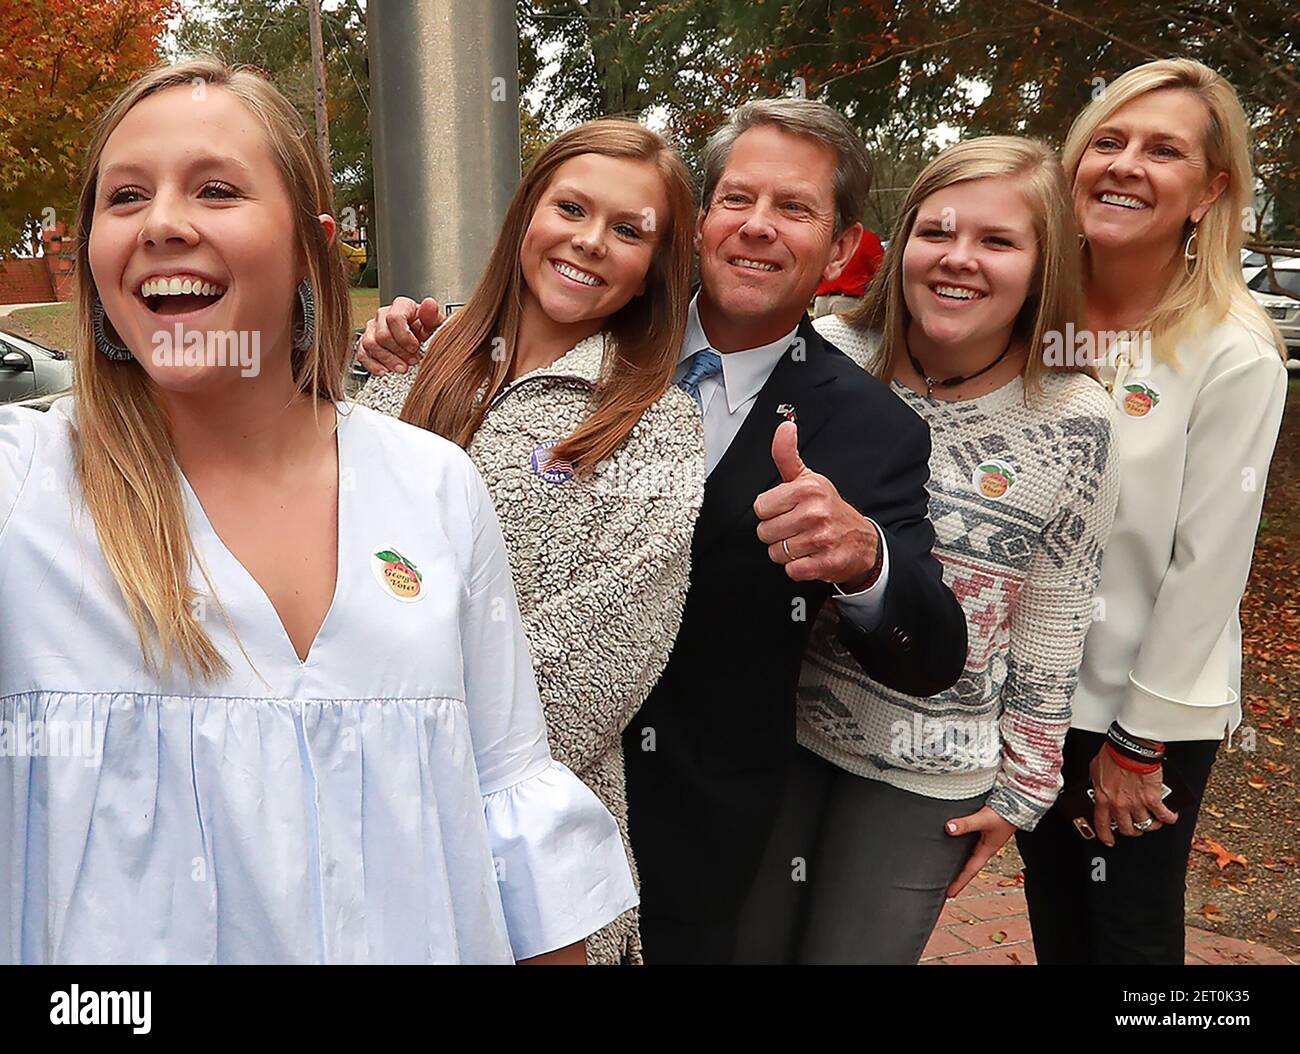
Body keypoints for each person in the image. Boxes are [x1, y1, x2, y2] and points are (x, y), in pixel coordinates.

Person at [0, 58, 635, 965]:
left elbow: (508, 804)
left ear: (311, 246)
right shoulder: (22, 489)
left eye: (215, 189)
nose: (164, 223)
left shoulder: (435, 486)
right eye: (125, 196)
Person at [356, 98, 970, 965]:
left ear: (838, 250)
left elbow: (932, 649)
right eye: (738, 199)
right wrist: (396, 348)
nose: (758, 228)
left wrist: (864, 558)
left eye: (793, 209)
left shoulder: (869, 428)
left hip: (683, 823)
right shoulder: (565, 327)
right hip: (461, 789)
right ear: (698, 223)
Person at [736, 137, 1121, 964]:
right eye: (937, 232)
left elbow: (1057, 617)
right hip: (777, 728)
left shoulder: (1075, 419)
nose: (960, 260)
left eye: (998, 241)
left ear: (1043, 263)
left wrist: (1025, 789)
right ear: (901, 242)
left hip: (926, 768)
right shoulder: (823, 356)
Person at [354, 119, 701, 964]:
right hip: (358, 832)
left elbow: (602, 657)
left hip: (521, 868)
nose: (589, 241)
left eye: (628, 230)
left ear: (658, 262)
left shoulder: (657, 425)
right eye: (571, 207)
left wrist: (399, 758)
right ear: (527, 215)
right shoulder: (411, 364)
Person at [1015, 58, 1288, 965]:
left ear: (1210, 190)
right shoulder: (1031, 307)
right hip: (1029, 689)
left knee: (1126, 937)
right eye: (1109, 140)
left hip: (1138, 707)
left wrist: (1138, 741)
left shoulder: (1232, 348)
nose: (1126, 164)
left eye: (1162, 150)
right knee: (1057, 915)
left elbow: (1211, 563)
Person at [811, 226, 884, 317]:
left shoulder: (824, 236)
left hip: (821, 300)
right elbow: (882, 273)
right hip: (848, 301)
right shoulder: (867, 238)